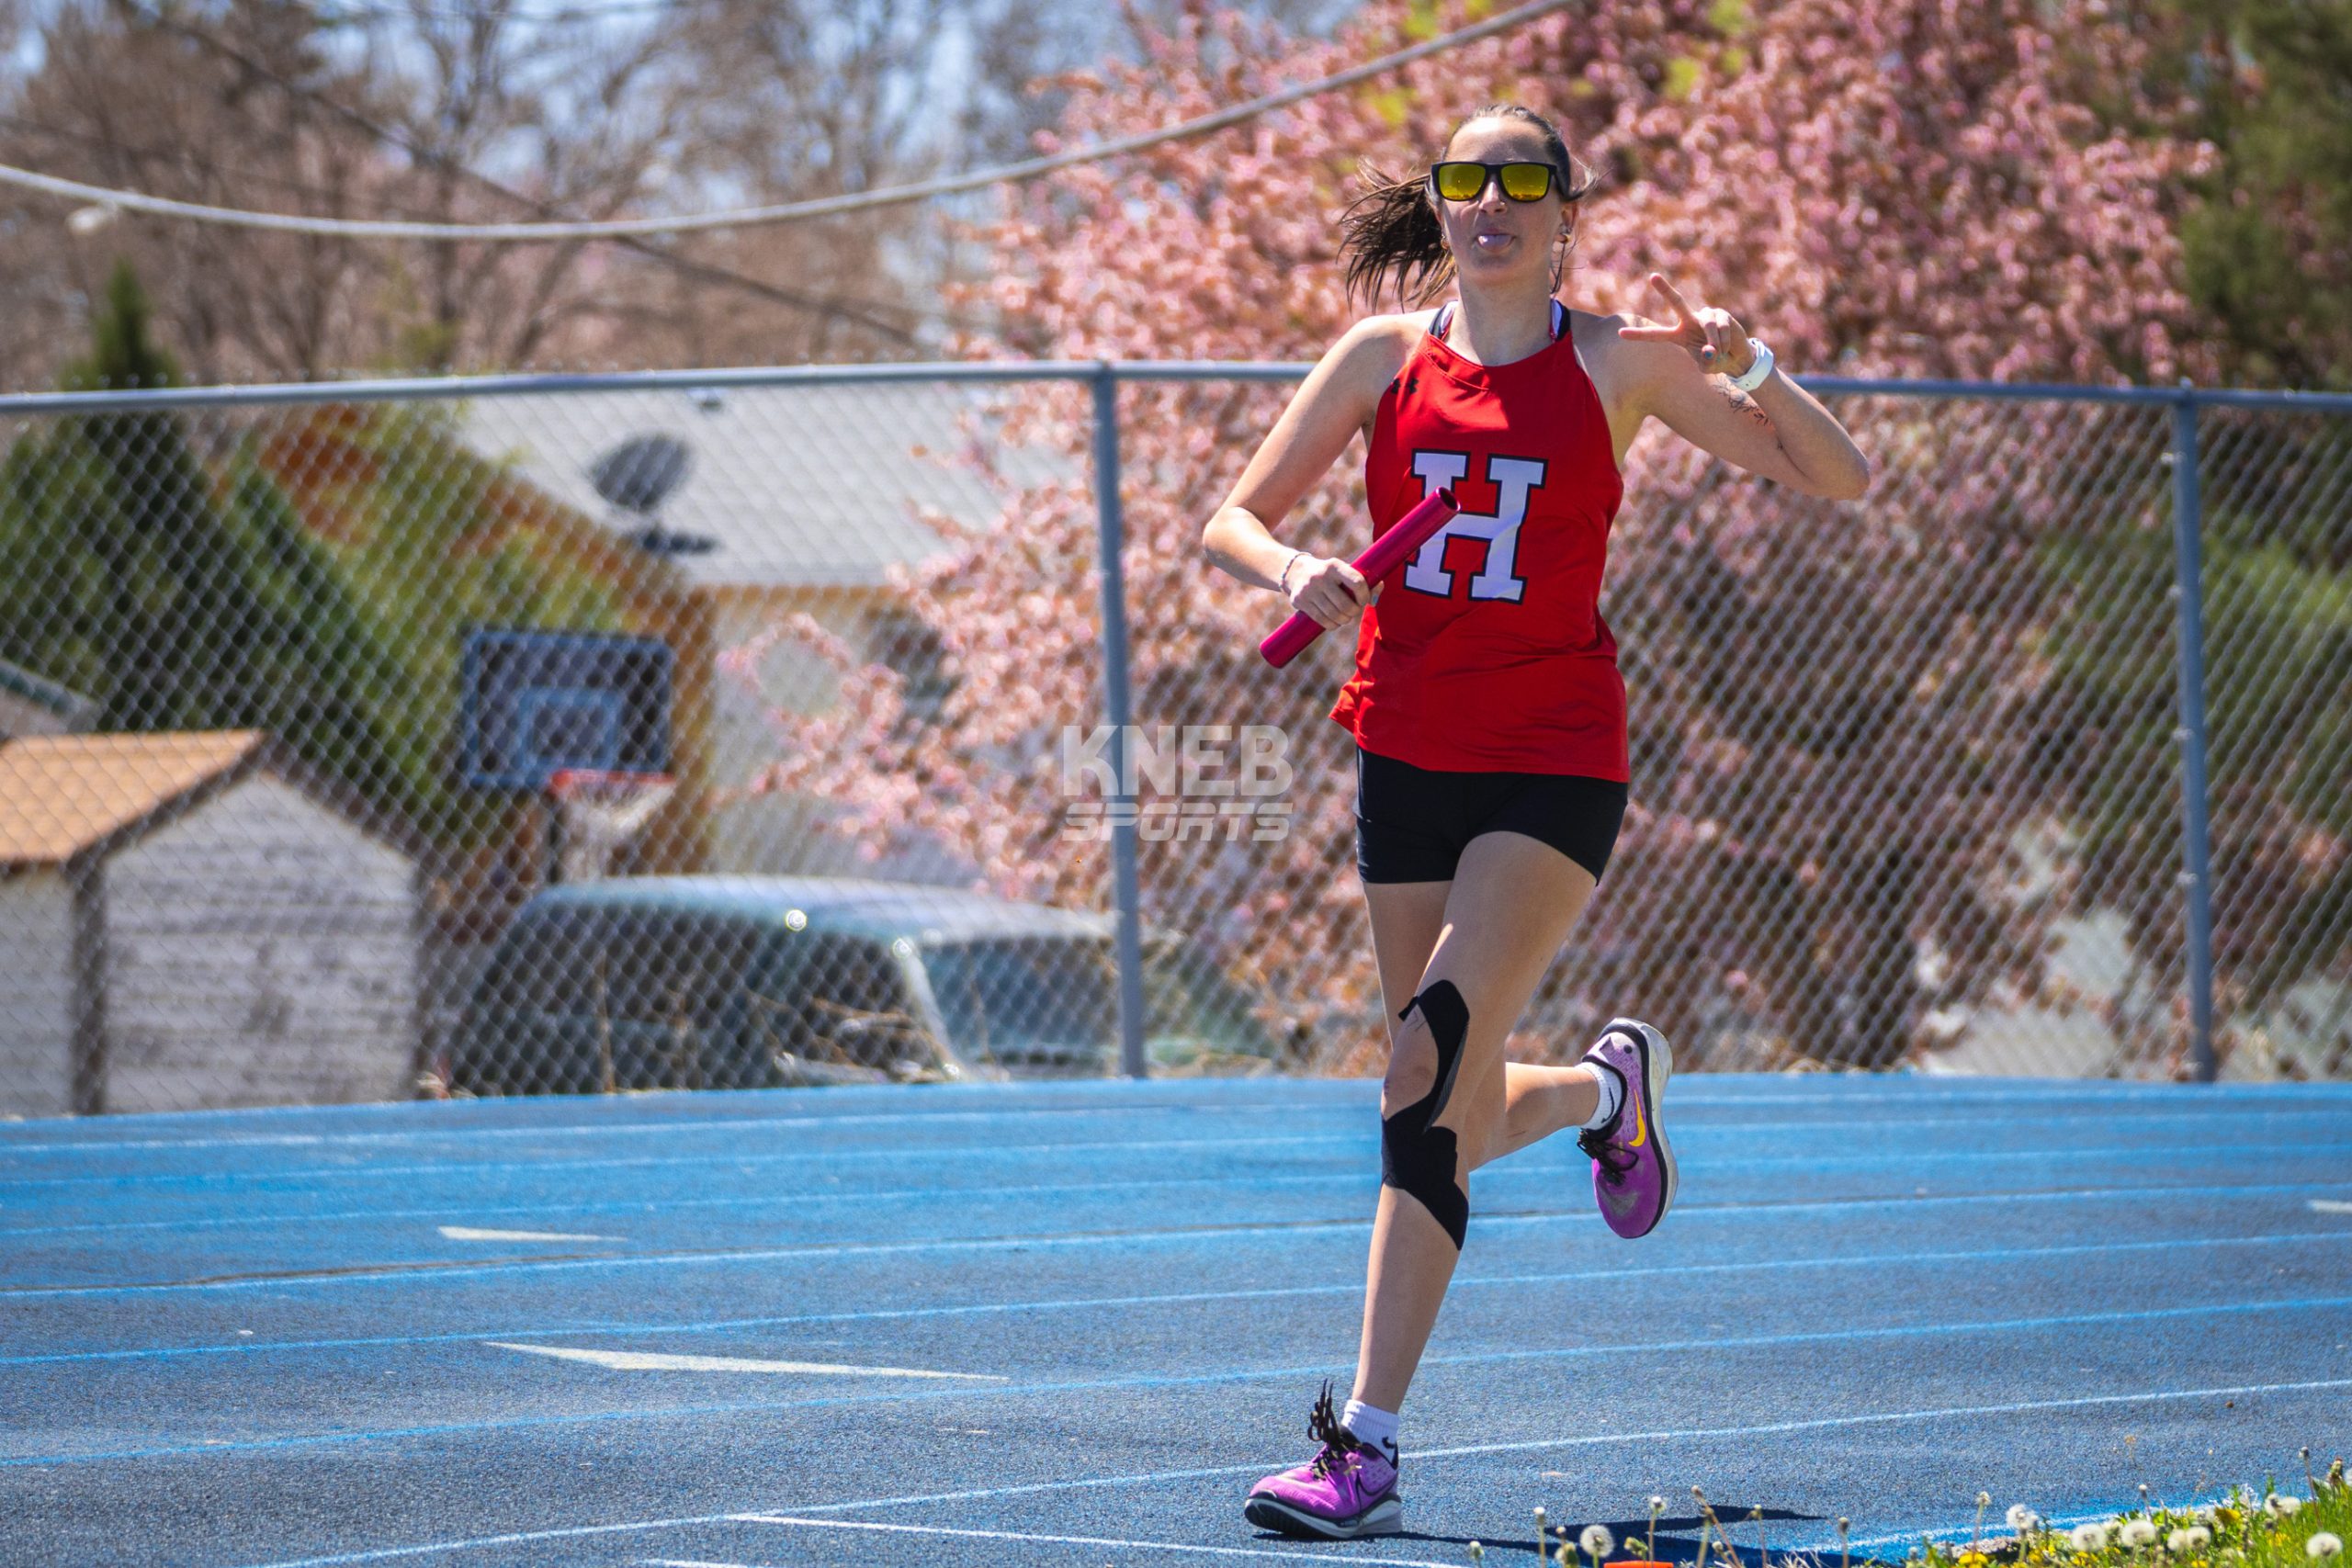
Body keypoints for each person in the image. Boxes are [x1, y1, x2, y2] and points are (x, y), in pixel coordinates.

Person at [1197, 102, 1871, 1541]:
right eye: (1465, 180)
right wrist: (1296, 568)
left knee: (1420, 1073)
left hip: (1555, 764)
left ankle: (1362, 1449)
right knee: (1446, 1108)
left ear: (1567, 208)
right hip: (1403, 754)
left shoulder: (1621, 360)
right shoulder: (1382, 361)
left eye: (1520, 180)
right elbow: (1232, 518)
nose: (1489, 201)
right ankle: (1605, 1094)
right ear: (1440, 207)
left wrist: (1748, 362)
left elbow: (1836, 473)